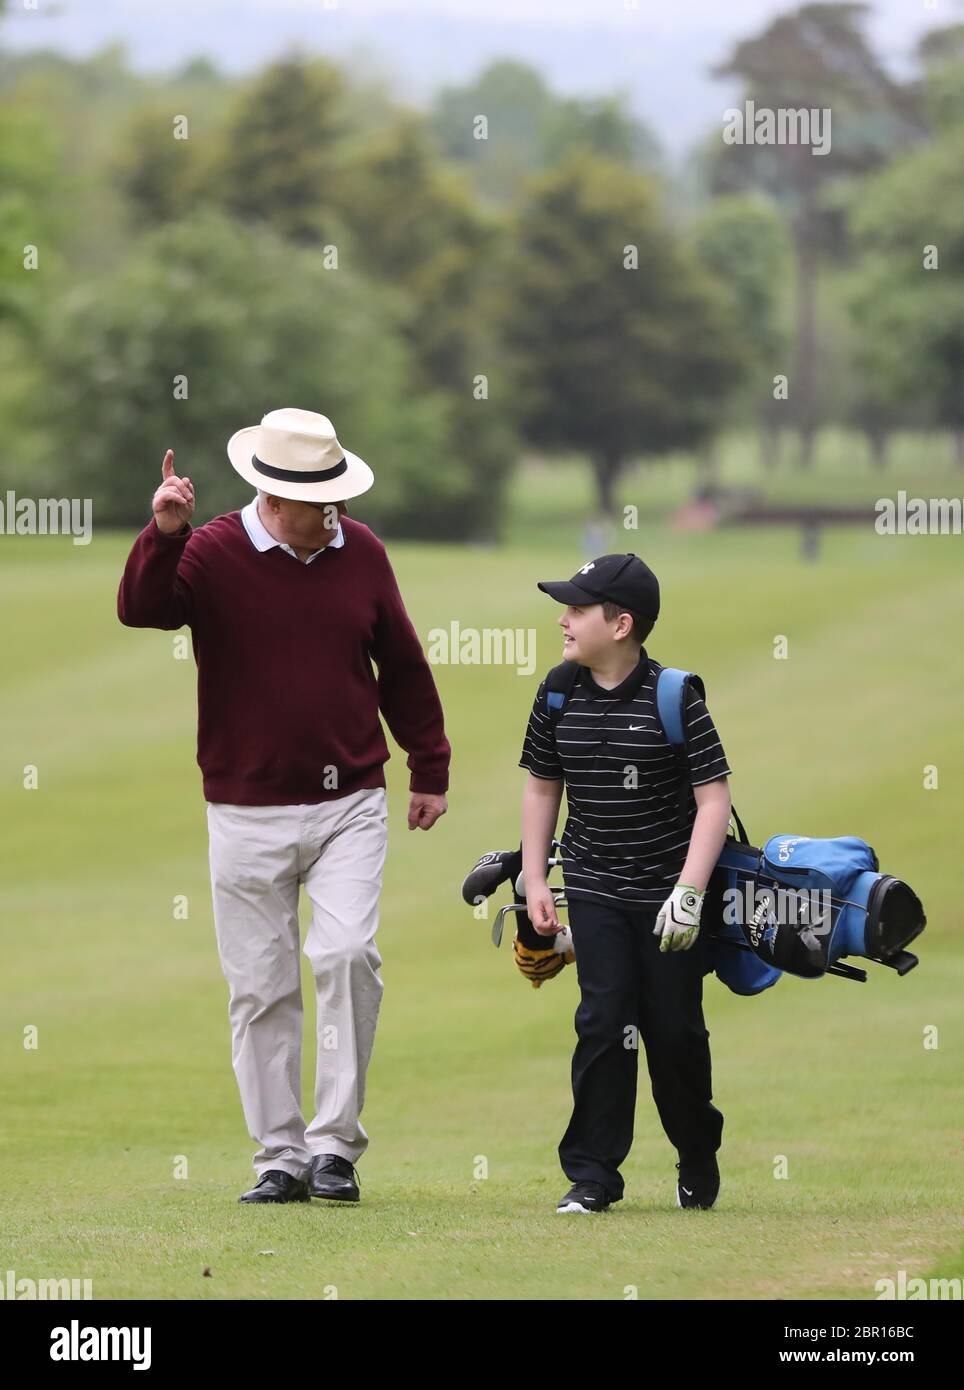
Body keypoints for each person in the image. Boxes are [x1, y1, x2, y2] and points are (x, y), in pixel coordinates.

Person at [117, 407, 450, 1205]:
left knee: (344, 958)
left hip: (350, 803)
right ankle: (280, 1156)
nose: (332, 510)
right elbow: (144, 608)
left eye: (337, 494)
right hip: (243, 808)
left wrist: (428, 764)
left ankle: (335, 1147)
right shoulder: (212, 550)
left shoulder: (359, 550)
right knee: (260, 987)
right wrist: (163, 532)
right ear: (272, 494)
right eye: (317, 497)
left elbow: (401, 663)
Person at [517, 552, 732, 1214]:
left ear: (621, 625)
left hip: (671, 897)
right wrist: (534, 877)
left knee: (674, 1036)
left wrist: (690, 893)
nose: (562, 619)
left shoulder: (674, 696)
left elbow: (714, 800)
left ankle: (696, 1153)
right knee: (603, 1023)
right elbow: (540, 784)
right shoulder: (558, 690)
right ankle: (592, 1177)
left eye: (576, 610)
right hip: (595, 887)